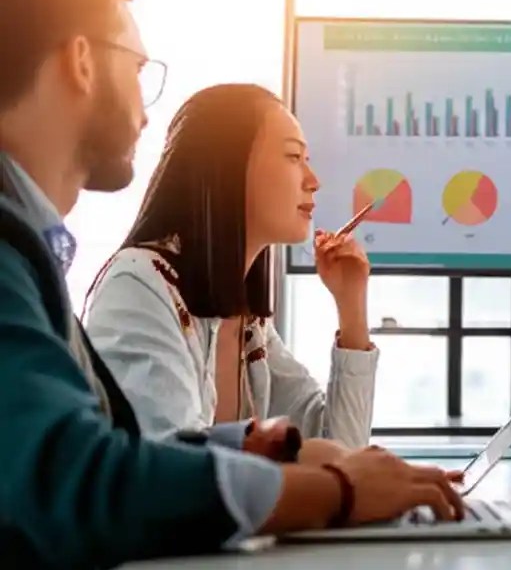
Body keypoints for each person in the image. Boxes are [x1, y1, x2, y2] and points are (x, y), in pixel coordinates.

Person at [0, 0, 462, 570]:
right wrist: (329, 489)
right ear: (80, 61)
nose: (143, 107)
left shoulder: (32, 250)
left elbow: (103, 450)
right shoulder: (54, 263)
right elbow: (87, 480)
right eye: (136, 66)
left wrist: (258, 449)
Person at [84, 82, 377, 464]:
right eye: (294, 157)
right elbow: (172, 469)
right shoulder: (139, 284)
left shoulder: (249, 325)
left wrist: (351, 308)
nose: (313, 179)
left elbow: (344, 450)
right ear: (230, 166)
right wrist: (307, 467)